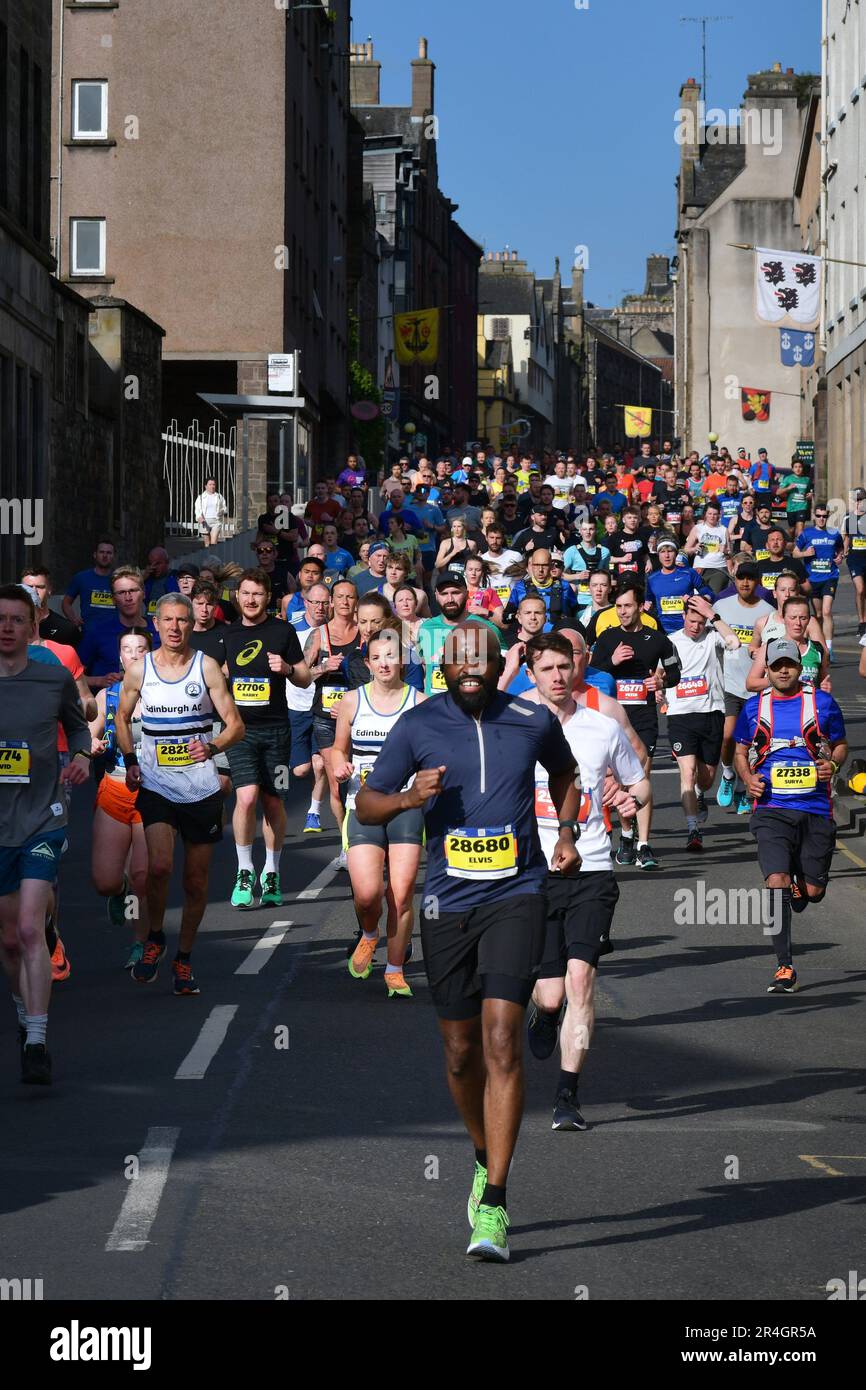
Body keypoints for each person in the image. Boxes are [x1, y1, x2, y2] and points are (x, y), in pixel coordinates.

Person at [356, 620, 582, 1262]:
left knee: (502, 1039)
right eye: (458, 658)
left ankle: (496, 1204)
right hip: (447, 903)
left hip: (517, 894)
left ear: (496, 660)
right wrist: (406, 797)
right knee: (460, 1054)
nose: (471, 666)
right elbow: (366, 804)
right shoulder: (419, 724)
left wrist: (564, 832)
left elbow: (565, 776)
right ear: (442, 667)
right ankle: (483, 1157)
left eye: (480, 655)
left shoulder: (531, 720)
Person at [520, 632, 649, 1130]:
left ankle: (567, 1095)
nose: (556, 676)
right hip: (533, 870)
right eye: (546, 668)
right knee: (550, 993)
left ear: (575, 670)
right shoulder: (516, 724)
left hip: (591, 867)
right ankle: (545, 1014)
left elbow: (636, 779)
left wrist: (629, 799)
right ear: (532, 673)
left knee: (581, 980)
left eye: (563, 667)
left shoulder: (603, 727)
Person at [115, 594, 244, 994]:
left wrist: (213, 747)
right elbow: (120, 716)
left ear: (191, 625)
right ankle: (155, 937)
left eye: (182, 621)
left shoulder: (206, 668)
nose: (174, 627)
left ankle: (184, 959)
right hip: (155, 783)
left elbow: (235, 725)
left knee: (195, 880)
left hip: (202, 788)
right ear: (156, 624)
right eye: (167, 620)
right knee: (158, 868)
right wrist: (131, 758)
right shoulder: (140, 670)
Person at [0, 585, 92, 1084]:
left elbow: (78, 729)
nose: (7, 628)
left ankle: (37, 1040)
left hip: (42, 816)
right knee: (10, 940)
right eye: (1, 619)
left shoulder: (52, 677)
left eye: (17, 619)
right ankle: (23, 1015)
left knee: (33, 929)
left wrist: (80, 757)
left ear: (32, 626)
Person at [734, 639, 847, 994]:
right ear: (765, 669)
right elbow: (739, 750)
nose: (783, 670)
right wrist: (748, 778)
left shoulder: (823, 704)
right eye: (776, 665)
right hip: (771, 810)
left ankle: (804, 885)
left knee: (812, 892)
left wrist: (832, 763)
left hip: (815, 809)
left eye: (790, 664)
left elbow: (841, 744)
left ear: (800, 667)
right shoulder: (754, 708)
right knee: (776, 879)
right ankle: (784, 965)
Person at [330, 630, 426, 998]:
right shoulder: (353, 701)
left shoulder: (419, 702)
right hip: (363, 805)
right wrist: (340, 765)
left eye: (391, 655)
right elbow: (339, 749)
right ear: (368, 664)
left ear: (401, 661)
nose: (385, 663)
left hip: (404, 805)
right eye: (378, 657)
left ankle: (395, 969)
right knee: (368, 894)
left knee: (401, 895)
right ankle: (369, 934)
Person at [222, 570, 311, 908]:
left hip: (277, 731)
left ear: (266, 598)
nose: (250, 599)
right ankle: (245, 870)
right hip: (240, 731)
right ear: (237, 596)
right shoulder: (227, 634)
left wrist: (287, 669)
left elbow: (304, 679)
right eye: (245, 593)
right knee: (245, 798)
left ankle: (271, 870)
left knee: (273, 802)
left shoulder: (282, 631)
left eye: (257, 594)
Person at [590, 585, 682, 868]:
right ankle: (626, 835)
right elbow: (591, 672)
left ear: (641, 607)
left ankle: (644, 844)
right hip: (612, 718)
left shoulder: (657, 639)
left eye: (627, 606)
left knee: (641, 779)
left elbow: (676, 671)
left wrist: (661, 682)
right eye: (618, 607)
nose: (622, 612)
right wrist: (612, 661)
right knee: (618, 782)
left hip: (643, 719)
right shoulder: (607, 638)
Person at [88, 628, 152, 969]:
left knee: (143, 875)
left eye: (141, 648)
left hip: (153, 792)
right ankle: (118, 889)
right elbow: (89, 732)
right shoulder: (107, 697)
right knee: (106, 881)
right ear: (120, 657)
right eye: (128, 649)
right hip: (114, 787)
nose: (134, 655)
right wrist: (91, 746)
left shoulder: (161, 695)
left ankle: (139, 943)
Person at [666, 596, 740, 850]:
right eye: (691, 620)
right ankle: (693, 830)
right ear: (683, 617)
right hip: (680, 716)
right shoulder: (671, 642)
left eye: (700, 621)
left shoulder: (712, 635)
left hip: (712, 713)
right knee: (687, 772)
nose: (695, 626)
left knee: (706, 779)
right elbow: (656, 672)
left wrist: (713, 615)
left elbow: (734, 642)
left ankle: (699, 795)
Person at [302, 581, 361, 859]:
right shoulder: (319, 635)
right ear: (332, 601)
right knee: (338, 783)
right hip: (326, 719)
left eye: (350, 597)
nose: (345, 602)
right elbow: (301, 676)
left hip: (360, 717)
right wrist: (324, 667)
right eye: (340, 597)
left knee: (360, 781)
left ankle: (366, 837)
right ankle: (346, 845)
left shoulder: (364, 633)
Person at [712, 561, 776, 814]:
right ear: (735, 580)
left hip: (757, 686)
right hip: (729, 684)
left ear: (757, 582)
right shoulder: (721, 607)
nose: (745, 583)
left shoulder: (768, 611)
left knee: (751, 743)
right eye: (741, 578)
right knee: (728, 736)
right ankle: (728, 773)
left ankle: (743, 787)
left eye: (750, 579)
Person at [417, 574, 502, 696]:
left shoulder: (486, 628)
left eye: (456, 593)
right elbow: (425, 668)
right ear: (436, 596)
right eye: (444, 594)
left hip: (472, 705)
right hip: (435, 707)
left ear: (467, 594)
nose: (450, 599)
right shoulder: (426, 628)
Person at [79, 566, 159, 693]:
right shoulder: (97, 631)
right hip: (110, 705)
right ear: (113, 599)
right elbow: (74, 676)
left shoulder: (158, 630)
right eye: (121, 592)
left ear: (143, 593)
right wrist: (99, 681)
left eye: (133, 590)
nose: (128, 598)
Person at [746, 596, 829, 694]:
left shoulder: (818, 649)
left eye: (803, 618)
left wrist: (825, 687)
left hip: (807, 706)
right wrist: (776, 680)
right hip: (778, 707)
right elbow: (750, 684)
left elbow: (823, 682)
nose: (798, 623)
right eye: (793, 618)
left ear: (809, 620)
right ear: (784, 619)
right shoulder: (769, 647)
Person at [794, 503, 844, 661]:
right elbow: (794, 553)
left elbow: (841, 549)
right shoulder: (806, 534)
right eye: (819, 516)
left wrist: (839, 557)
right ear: (814, 516)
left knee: (827, 611)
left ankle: (829, 649)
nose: (822, 519)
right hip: (812, 580)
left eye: (825, 516)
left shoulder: (834, 534)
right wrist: (804, 553)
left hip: (830, 577)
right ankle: (820, 645)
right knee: (819, 614)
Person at [646, 535, 712, 633]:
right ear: (658, 555)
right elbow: (648, 600)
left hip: (686, 628)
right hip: (662, 629)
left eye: (670, 551)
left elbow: (710, 594)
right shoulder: (652, 579)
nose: (667, 555)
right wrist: (647, 604)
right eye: (663, 552)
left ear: (676, 553)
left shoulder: (689, 573)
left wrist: (694, 600)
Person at [62, 538, 117, 633]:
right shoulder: (81, 578)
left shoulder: (119, 579)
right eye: (101, 552)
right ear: (95, 555)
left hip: (114, 634)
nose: (105, 556)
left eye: (109, 553)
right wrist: (74, 619)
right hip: (88, 634)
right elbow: (66, 603)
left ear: (113, 556)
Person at [684, 501, 730, 595]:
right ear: (705, 514)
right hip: (700, 568)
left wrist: (725, 551)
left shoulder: (724, 530)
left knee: (713, 596)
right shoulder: (698, 528)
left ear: (719, 515)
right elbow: (686, 550)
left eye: (715, 514)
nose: (712, 516)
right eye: (709, 513)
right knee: (698, 597)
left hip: (718, 568)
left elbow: (729, 553)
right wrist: (695, 548)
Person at [842, 490, 866, 634]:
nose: (859, 502)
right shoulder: (848, 519)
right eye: (856, 500)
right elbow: (845, 538)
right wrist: (843, 551)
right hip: (855, 559)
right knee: (860, 589)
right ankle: (861, 621)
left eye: (861, 499)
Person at [776, 457, 812, 538]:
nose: (798, 469)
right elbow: (778, 492)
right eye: (796, 467)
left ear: (802, 468)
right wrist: (788, 488)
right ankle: (789, 542)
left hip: (802, 507)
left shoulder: (807, 479)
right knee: (792, 530)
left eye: (800, 467)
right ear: (792, 469)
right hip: (791, 508)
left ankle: (798, 548)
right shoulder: (788, 479)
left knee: (800, 530)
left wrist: (810, 495)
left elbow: (809, 492)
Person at [142, 547, 180, 616]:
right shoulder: (146, 580)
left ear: (167, 562)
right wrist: (142, 579)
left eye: (158, 563)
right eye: (151, 564)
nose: (154, 567)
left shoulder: (176, 578)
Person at [194, 477, 228, 545]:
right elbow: (197, 509)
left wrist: (222, 511)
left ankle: (213, 555)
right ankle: (208, 555)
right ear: (206, 486)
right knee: (207, 543)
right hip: (204, 521)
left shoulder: (219, 496)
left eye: (214, 484)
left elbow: (224, 508)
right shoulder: (200, 497)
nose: (212, 486)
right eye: (210, 484)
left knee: (213, 543)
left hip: (216, 521)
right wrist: (199, 517)